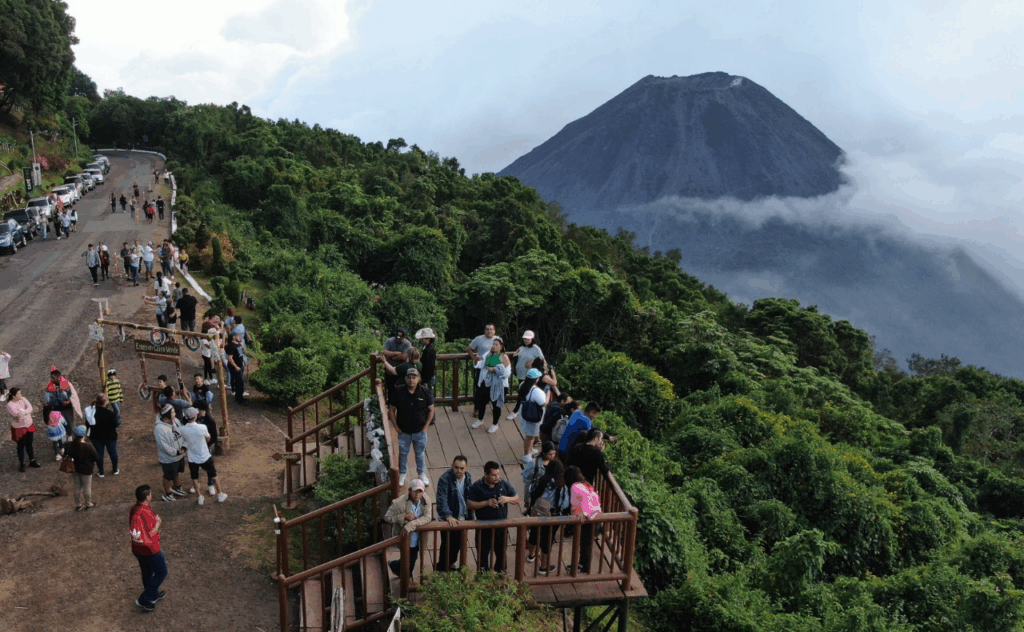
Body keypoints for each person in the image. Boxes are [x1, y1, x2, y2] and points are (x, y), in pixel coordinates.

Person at [466, 461, 520, 573]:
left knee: (501, 553)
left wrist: (507, 499)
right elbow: (469, 504)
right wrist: (485, 503)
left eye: (498, 474)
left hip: (501, 526)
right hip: (483, 527)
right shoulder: (477, 486)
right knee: (482, 553)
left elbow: (517, 499)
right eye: (494, 475)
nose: (497, 477)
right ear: (486, 474)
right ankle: (483, 575)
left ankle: (500, 573)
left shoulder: (504, 484)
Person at [389, 368, 434, 487]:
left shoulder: (425, 392)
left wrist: (426, 427)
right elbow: (392, 410)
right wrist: (396, 427)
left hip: (420, 431)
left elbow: (431, 409)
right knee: (403, 453)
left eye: (414, 377)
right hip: (404, 431)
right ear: (405, 379)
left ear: (418, 379)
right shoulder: (398, 392)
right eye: (409, 377)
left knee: (420, 453)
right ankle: (402, 474)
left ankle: (421, 474)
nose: (411, 380)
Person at [526, 458, 569, 575]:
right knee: (547, 540)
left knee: (534, 533)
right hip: (552, 517)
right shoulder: (562, 486)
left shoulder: (541, 480)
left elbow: (531, 491)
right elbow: (565, 504)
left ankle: (531, 555)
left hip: (537, 513)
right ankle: (543, 567)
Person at [129, 484, 168, 611]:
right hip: (150, 549)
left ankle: (153, 594)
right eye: (150, 493)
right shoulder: (144, 512)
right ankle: (145, 599)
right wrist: (158, 522)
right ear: (147, 497)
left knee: (147, 572)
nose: (152, 495)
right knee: (161, 572)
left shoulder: (134, 509)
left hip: (137, 548)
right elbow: (151, 533)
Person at [384, 478, 433, 576]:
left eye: (420, 491)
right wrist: (403, 517)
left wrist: (411, 524)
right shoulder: (399, 503)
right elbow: (387, 517)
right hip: (405, 536)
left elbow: (428, 517)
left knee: (412, 557)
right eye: (415, 491)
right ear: (410, 490)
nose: (417, 494)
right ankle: (404, 574)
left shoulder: (426, 501)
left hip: (418, 536)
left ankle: (396, 567)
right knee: (409, 557)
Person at [180, 408, 228, 504]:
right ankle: (220, 494)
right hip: (204, 456)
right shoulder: (202, 427)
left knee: (195, 477)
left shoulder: (182, 429)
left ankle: (199, 497)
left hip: (192, 458)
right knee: (213, 475)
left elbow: (185, 440)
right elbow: (208, 439)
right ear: (195, 416)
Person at [434, 455, 473, 572]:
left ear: (466, 468)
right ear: (452, 466)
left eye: (462, 468)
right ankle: (441, 567)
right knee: (447, 543)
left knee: (458, 544)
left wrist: (471, 515)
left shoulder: (468, 477)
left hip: (462, 516)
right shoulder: (445, 479)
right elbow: (442, 498)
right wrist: (448, 515)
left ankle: (450, 564)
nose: (458, 471)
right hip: (450, 516)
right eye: (456, 467)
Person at [470, 337, 510, 434]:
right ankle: (480, 419)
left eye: (497, 345)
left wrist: (494, 370)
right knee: (482, 402)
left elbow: (507, 373)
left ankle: (495, 424)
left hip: (498, 384)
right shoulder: (488, 354)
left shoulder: (503, 357)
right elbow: (480, 364)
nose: (494, 346)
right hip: (487, 382)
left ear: (501, 347)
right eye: (493, 344)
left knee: (496, 405)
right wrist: (476, 360)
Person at [567, 465, 601, 574]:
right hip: (596, 517)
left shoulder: (575, 487)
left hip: (588, 519)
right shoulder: (585, 484)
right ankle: (582, 565)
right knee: (586, 543)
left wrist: (583, 512)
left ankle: (584, 568)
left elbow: (584, 501)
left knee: (585, 544)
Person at [154, 404, 188, 502]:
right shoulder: (159, 429)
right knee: (167, 476)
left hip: (179, 455)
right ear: (166, 415)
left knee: (176, 472)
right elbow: (163, 446)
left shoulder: (176, 421)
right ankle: (167, 493)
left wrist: (184, 446)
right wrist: (176, 452)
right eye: (172, 412)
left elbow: (183, 433)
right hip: (168, 459)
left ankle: (176, 487)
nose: (175, 413)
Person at [516, 368, 548, 463]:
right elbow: (544, 403)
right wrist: (548, 395)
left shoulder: (522, 384)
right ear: (536, 379)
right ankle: (526, 455)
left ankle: (530, 450)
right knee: (530, 436)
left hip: (525, 411)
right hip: (533, 415)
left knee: (531, 434)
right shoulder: (537, 391)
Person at [6, 387, 40, 472]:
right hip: (19, 428)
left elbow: (30, 408)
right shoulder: (10, 405)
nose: (21, 395)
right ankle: (22, 463)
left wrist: (23, 412)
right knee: (21, 445)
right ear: (14, 396)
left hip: (28, 424)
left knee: (29, 443)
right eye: (18, 394)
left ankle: (32, 460)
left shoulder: (23, 399)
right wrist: (25, 412)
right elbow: (16, 415)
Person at [65, 425, 98, 511]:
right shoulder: (88, 446)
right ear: (84, 435)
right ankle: (88, 503)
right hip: (86, 470)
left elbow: (65, 455)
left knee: (77, 486)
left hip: (74, 469)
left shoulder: (69, 445)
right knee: (86, 487)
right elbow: (96, 458)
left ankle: (78, 504)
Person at [86, 393, 119, 477]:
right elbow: (115, 424)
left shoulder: (91, 412)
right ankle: (115, 470)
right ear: (105, 402)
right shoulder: (109, 413)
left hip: (96, 437)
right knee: (113, 453)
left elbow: (87, 424)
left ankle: (101, 472)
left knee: (99, 454)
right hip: (110, 436)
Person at [382, 329, 412, 402]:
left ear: (405, 337)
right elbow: (384, 352)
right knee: (390, 390)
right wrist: (396, 353)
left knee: (402, 391)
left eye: (401, 338)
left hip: (401, 372)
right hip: (389, 371)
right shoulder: (390, 341)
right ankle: (390, 406)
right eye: (397, 338)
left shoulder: (407, 344)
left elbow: (404, 356)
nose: (398, 340)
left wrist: (390, 356)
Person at [225, 333, 246, 404]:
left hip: (240, 365)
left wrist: (242, 346)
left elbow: (243, 353)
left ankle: (239, 396)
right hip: (235, 367)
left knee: (240, 382)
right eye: (238, 336)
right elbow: (229, 358)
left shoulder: (239, 344)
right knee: (239, 382)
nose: (239, 337)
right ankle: (240, 398)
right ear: (234, 337)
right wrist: (236, 367)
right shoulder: (231, 346)